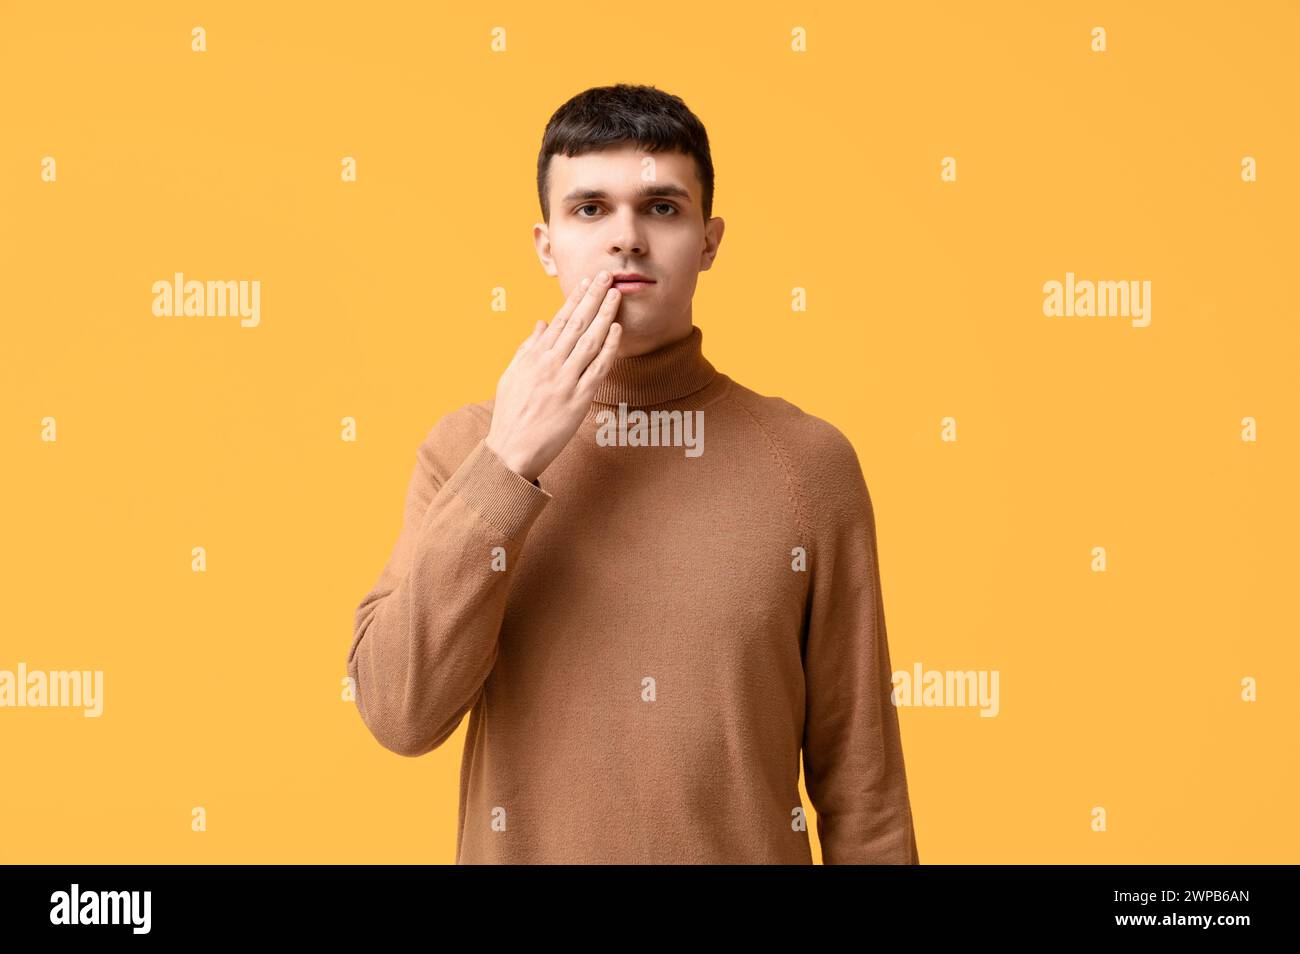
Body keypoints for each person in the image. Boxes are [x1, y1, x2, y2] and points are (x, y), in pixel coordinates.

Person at [346, 83, 920, 864]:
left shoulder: (809, 464)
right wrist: (510, 463)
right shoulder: (468, 449)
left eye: (661, 208)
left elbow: (865, 788)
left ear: (709, 240)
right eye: (590, 209)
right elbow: (398, 712)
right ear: (546, 244)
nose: (627, 239)